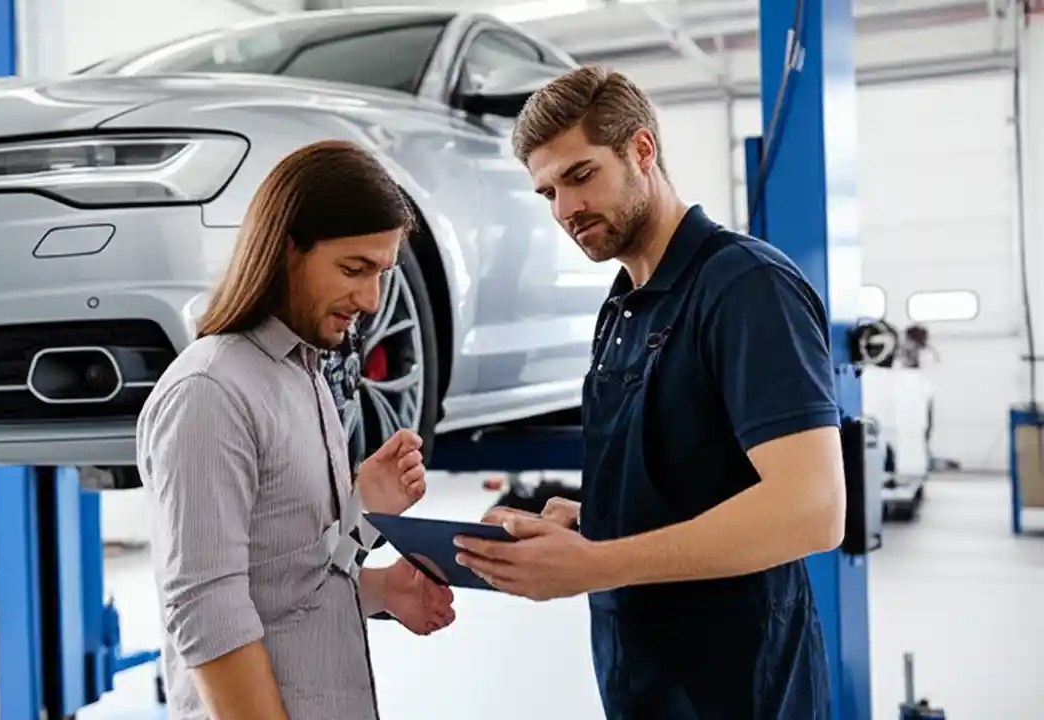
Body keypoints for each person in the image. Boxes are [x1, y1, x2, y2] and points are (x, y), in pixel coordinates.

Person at [454, 65, 847, 719]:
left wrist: (599, 563)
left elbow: (812, 508)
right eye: (547, 192)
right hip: (644, 679)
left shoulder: (744, 287)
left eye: (580, 176)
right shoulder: (623, 308)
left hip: (740, 685)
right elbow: (689, 473)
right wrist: (584, 521)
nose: (564, 210)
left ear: (642, 150)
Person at [136, 139, 456, 720]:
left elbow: (299, 582)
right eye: (353, 269)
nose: (370, 298)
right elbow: (206, 608)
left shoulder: (304, 377)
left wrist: (372, 546)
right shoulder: (210, 393)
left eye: (381, 272)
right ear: (284, 250)